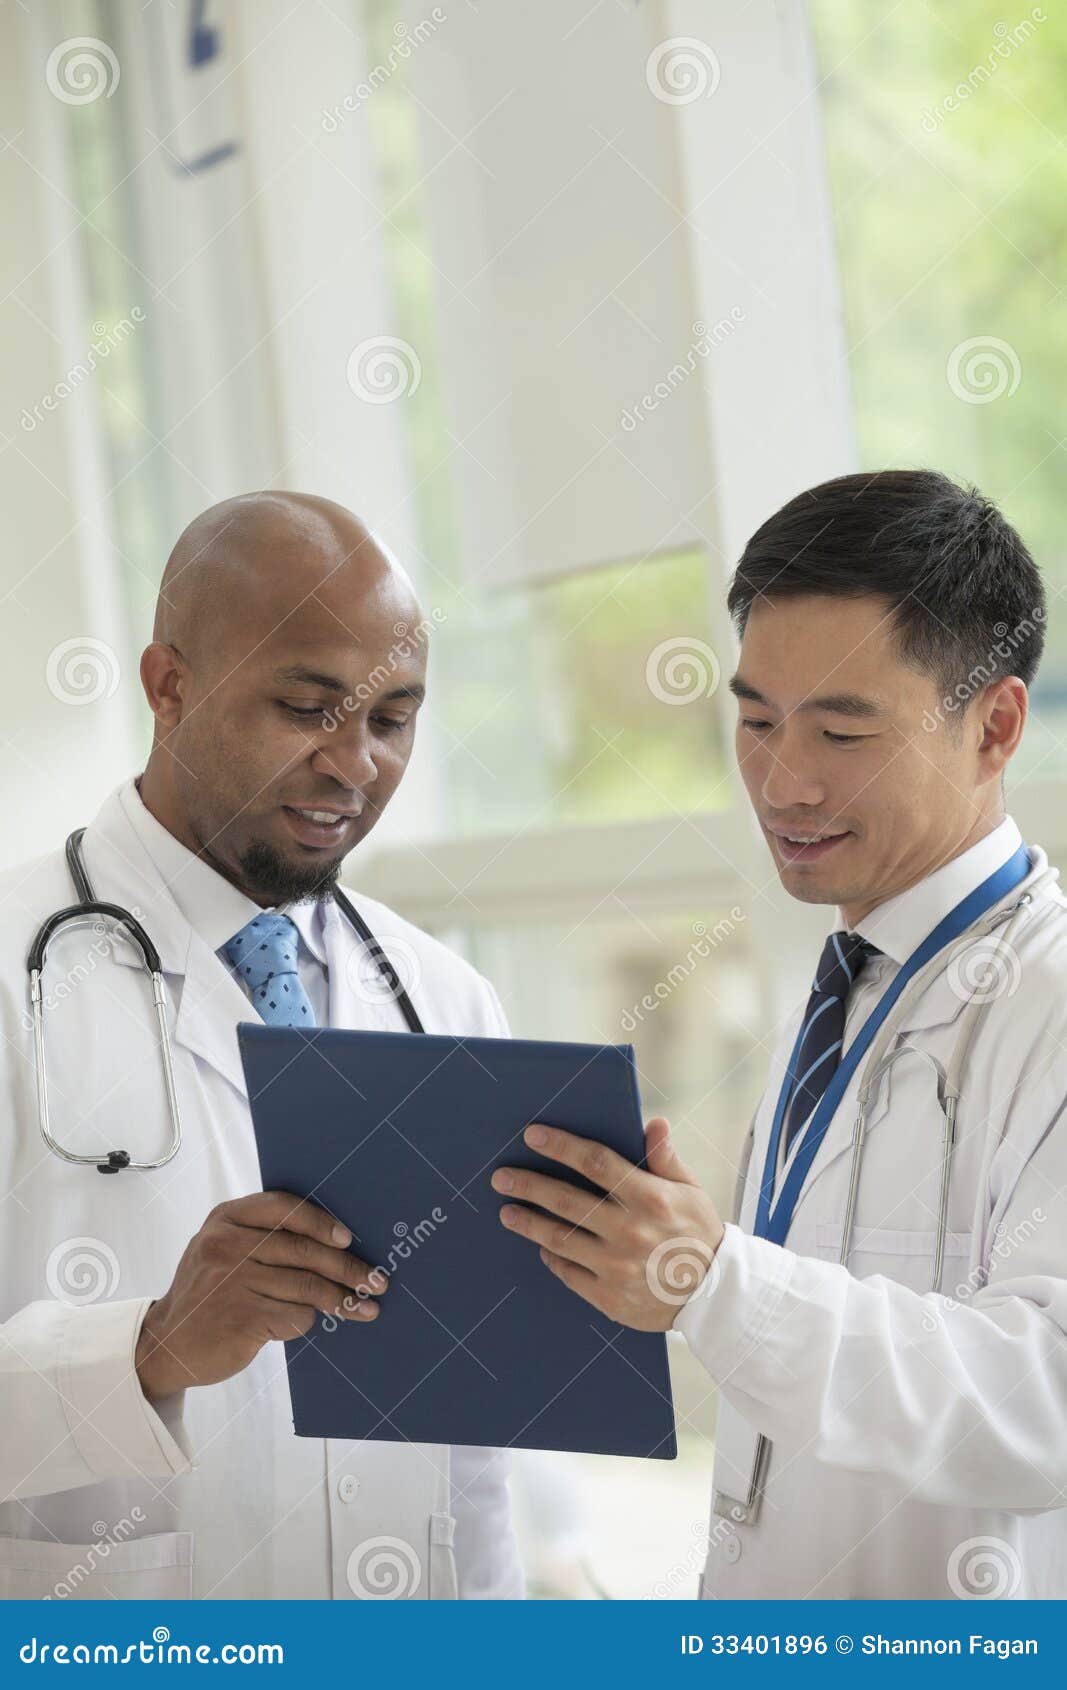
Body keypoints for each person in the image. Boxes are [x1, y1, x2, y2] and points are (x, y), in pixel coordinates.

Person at [491, 469, 1067, 1599]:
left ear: (994, 726)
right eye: (754, 720)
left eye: (841, 732)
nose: (781, 781)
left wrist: (712, 1280)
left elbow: (1040, 1399)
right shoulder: (853, 976)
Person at [0, 491, 523, 1601]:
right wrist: (147, 1353)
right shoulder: (14, 971)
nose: (355, 765)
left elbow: (472, 1450)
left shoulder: (447, 1000)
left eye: (392, 719)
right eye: (306, 706)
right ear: (168, 684)